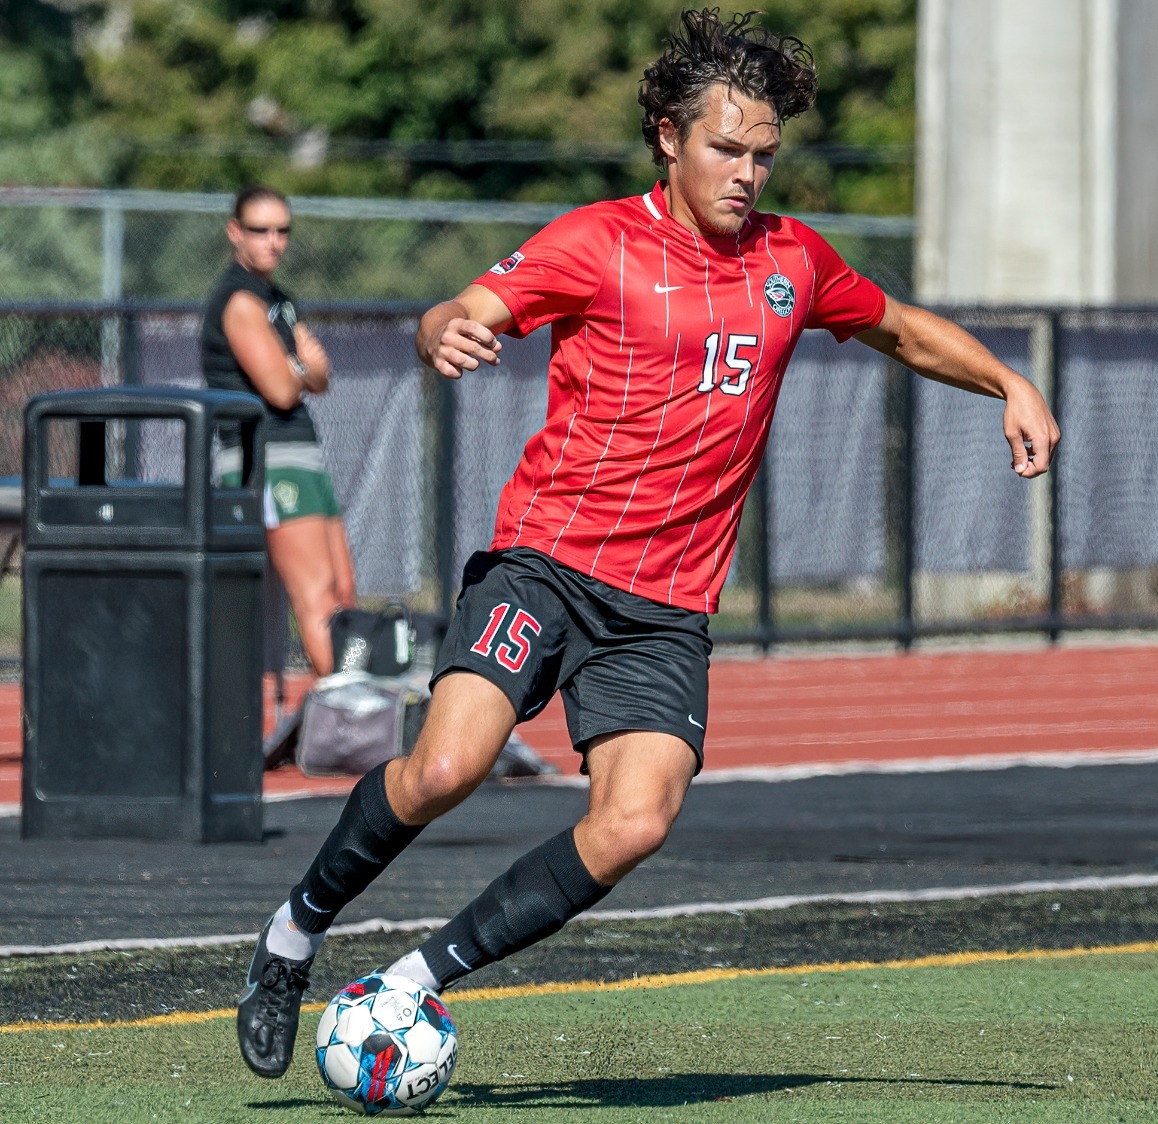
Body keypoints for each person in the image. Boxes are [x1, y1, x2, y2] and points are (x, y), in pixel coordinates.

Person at [234, 9, 1060, 1079]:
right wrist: (445, 326)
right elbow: (466, 303)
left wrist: (1008, 379)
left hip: (663, 608)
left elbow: (898, 326)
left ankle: (410, 979)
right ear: (669, 137)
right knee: (446, 764)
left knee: (632, 822)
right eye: (726, 148)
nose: (747, 173)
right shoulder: (596, 241)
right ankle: (293, 931)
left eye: (763, 154)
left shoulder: (791, 261)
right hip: (546, 559)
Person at [201, 185, 356, 677]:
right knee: (317, 599)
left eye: (282, 230)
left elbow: (320, 375)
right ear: (235, 232)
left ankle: (354, 708)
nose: (274, 241)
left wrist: (300, 368)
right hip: (265, 457)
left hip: (300, 452)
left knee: (344, 592)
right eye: (260, 230)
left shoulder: (279, 300)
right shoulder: (239, 301)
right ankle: (351, 718)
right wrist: (300, 367)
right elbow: (284, 390)